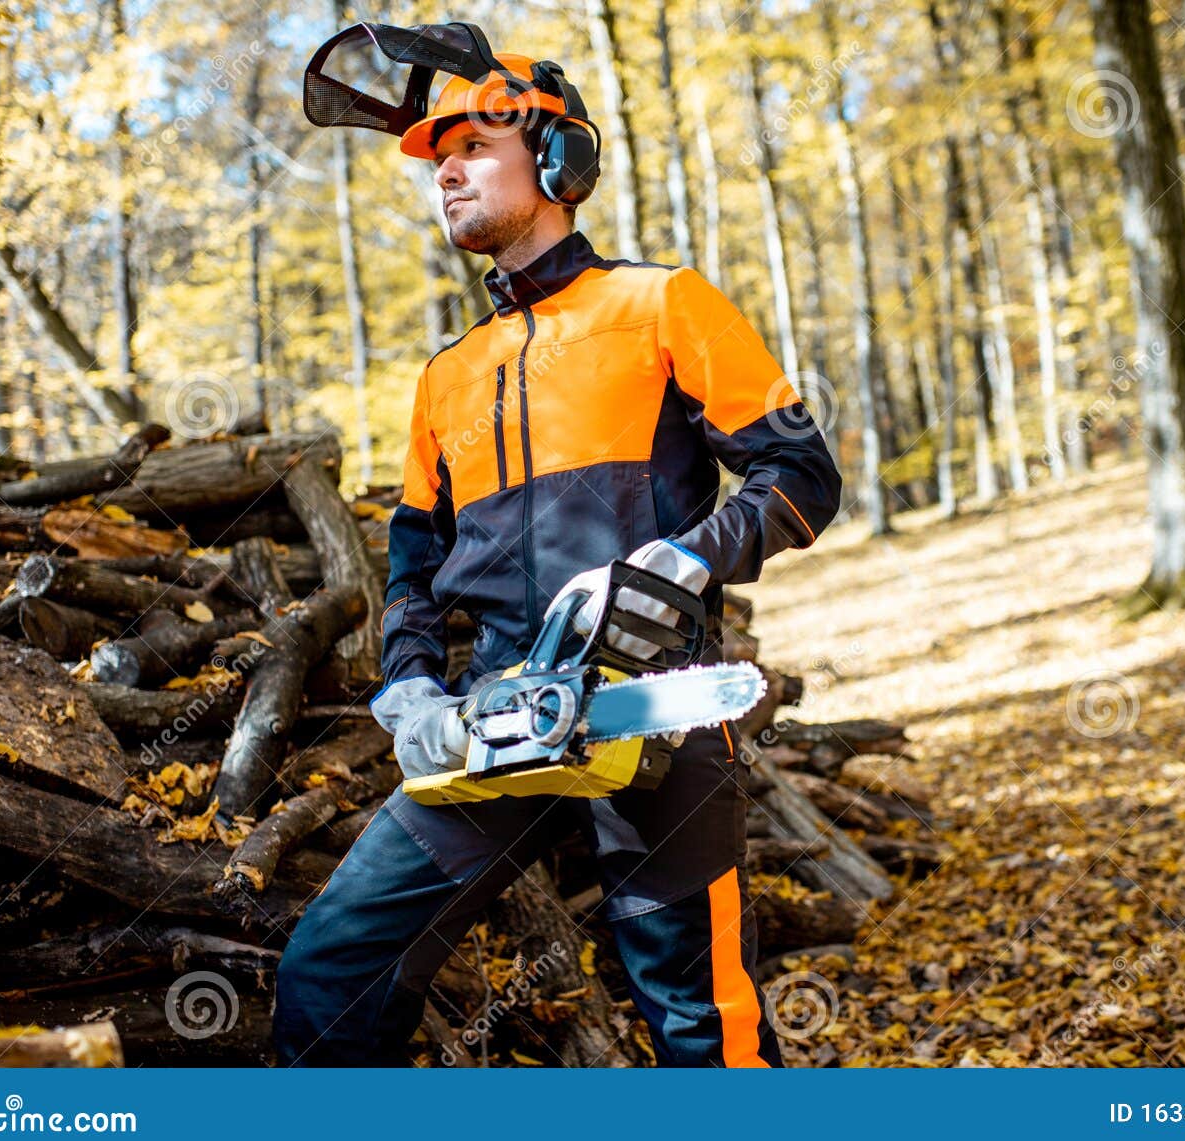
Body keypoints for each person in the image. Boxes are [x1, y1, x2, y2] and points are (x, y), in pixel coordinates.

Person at [273, 44, 841, 1068]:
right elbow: (412, 569)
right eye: (436, 159)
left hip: (653, 703)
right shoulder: (447, 375)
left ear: (556, 160)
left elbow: (800, 473)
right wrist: (410, 692)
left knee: (702, 1023)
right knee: (333, 963)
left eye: (472, 147)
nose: (446, 172)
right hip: (497, 716)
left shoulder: (662, 304)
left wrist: (685, 563)